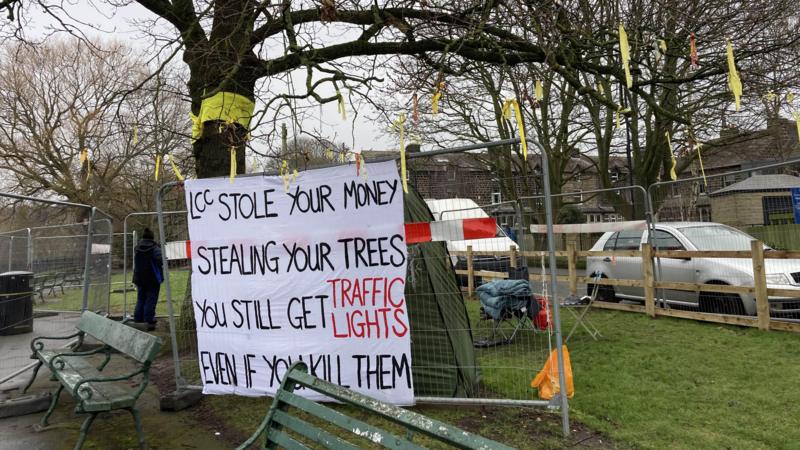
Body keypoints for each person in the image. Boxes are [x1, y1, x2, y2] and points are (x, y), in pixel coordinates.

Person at [132, 228, 163, 330]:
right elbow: (161, 260)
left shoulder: (137, 248)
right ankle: (148, 321)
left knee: (141, 299)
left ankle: (138, 319)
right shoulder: (155, 248)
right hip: (152, 278)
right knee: (151, 299)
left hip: (139, 278)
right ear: (152, 237)